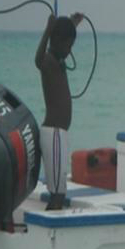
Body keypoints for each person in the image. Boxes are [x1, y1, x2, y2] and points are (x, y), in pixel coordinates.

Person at [35, 12, 83, 210]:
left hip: (61, 135)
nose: (69, 50)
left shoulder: (59, 61)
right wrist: (48, 29)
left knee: (60, 192)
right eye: (67, 46)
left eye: (71, 46)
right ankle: (48, 236)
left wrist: (71, 24)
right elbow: (38, 59)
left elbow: (60, 41)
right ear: (55, 42)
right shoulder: (49, 62)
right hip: (53, 133)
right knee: (57, 195)